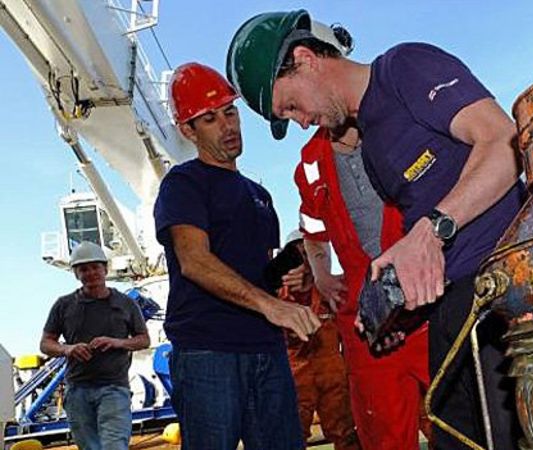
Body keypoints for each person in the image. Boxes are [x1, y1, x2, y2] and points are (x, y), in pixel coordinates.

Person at [227, 11, 525, 450]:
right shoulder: (375, 152)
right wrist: (397, 314)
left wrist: (431, 230)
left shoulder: (405, 67)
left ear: (306, 58)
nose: (302, 121)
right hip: (451, 312)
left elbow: (505, 142)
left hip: (502, 293)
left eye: (290, 105)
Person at [153, 62, 320, 449]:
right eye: (209, 119)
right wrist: (270, 306)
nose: (227, 126)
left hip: (267, 348)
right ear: (187, 131)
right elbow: (194, 261)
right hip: (207, 352)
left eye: (230, 112)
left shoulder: (259, 195)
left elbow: (261, 274)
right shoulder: (183, 183)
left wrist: (299, 273)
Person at [295, 124, 432, 450]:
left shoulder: (394, 124)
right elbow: (313, 230)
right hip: (363, 318)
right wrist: (321, 274)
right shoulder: (310, 163)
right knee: (383, 432)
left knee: (462, 421)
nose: (301, 120)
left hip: (426, 293)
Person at [40, 241, 150, 450]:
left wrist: (118, 342)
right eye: (83, 269)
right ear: (76, 274)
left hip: (114, 388)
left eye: (95, 267)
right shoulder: (64, 305)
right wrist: (68, 349)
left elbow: (143, 339)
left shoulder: (126, 304)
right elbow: (46, 344)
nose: (90, 273)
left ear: (105, 269)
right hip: (78, 390)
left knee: (114, 445)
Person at [277, 230, 360, 450]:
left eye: (308, 253)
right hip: (296, 379)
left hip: (334, 378)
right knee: (291, 438)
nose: (304, 259)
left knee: (345, 434)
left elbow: (352, 336)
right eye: (298, 254)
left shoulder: (331, 291)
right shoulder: (276, 297)